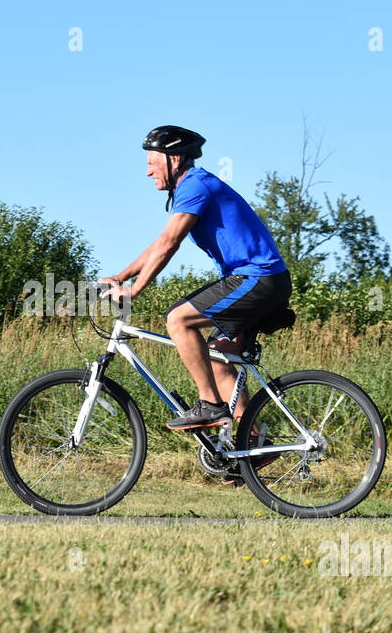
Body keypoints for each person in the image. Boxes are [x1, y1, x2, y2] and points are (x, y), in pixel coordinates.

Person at [99, 125, 293, 448]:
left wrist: (134, 291)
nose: (147, 171)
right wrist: (121, 276)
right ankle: (254, 445)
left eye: (151, 162)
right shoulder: (192, 187)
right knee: (218, 359)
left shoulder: (195, 185)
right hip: (261, 280)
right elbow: (159, 243)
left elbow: (169, 244)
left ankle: (210, 405)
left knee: (178, 319)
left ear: (174, 159)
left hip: (258, 278)